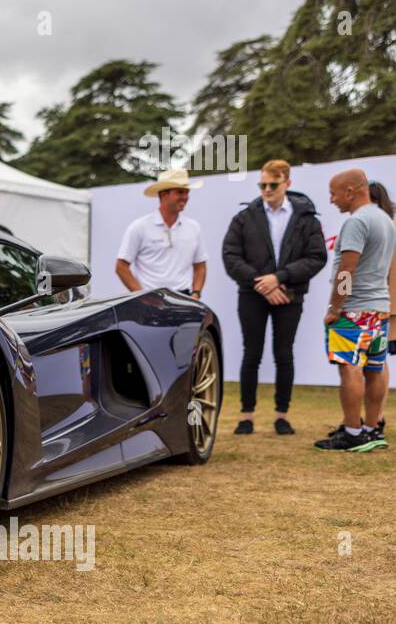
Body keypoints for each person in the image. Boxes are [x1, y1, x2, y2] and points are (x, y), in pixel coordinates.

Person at [221, 159, 327, 435]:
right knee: (251, 353)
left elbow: (317, 257)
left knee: (284, 354)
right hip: (252, 294)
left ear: (287, 183)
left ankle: (282, 415)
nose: (267, 190)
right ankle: (247, 415)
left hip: (290, 295)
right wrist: (263, 284)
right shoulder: (244, 217)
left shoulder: (306, 218)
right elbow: (231, 257)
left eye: (273, 184)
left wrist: (279, 278)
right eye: (262, 185)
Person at [314, 168, 396, 452]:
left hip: (353, 310)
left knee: (350, 368)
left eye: (334, 193)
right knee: (375, 368)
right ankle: (372, 431)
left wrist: (335, 308)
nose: (332, 199)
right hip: (378, 308)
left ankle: (351, 432)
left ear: (350, 191)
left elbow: (347, 270)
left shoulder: (357, 222)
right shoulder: (384, 219)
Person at [115, 168, 207, 298]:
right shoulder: (139, 227)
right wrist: (143, 296)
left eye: (187, 192)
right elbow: (121, 267)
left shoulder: (194, 227)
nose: (185, 197)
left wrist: (196, 293)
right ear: (164, 195)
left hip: (184, 299)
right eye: (180, 192)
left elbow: (200, 266)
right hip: (151, 299)